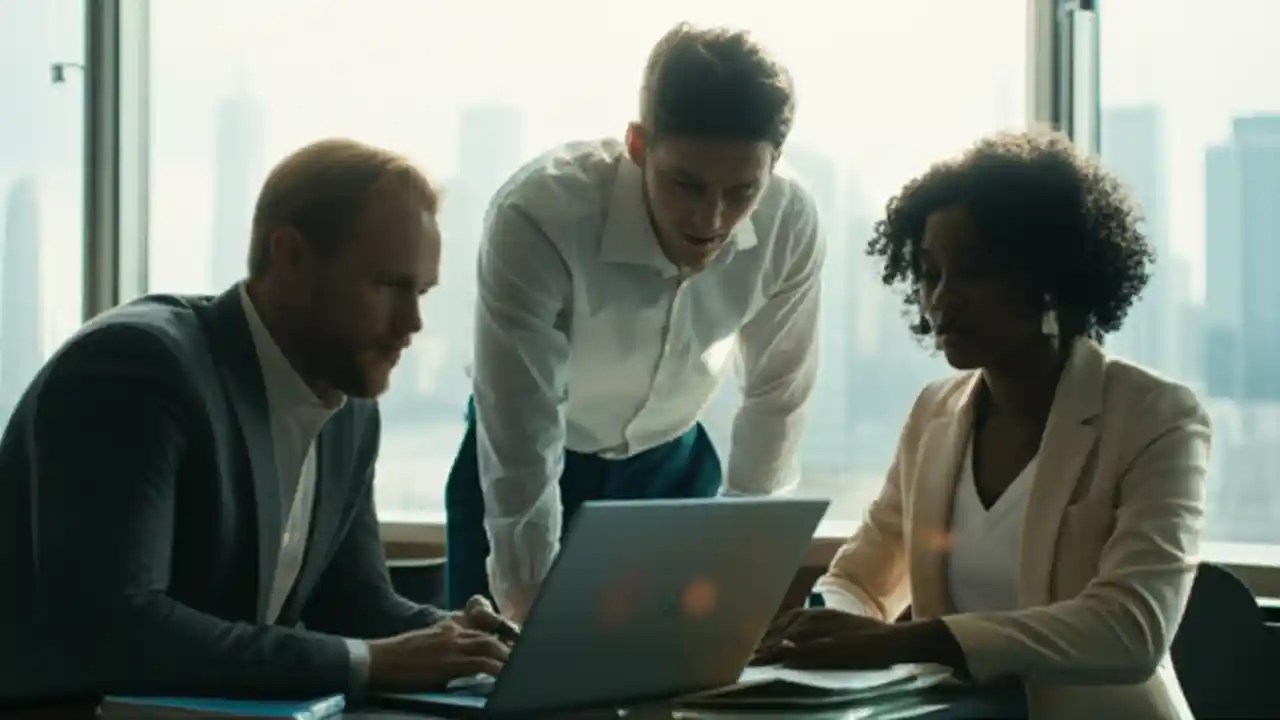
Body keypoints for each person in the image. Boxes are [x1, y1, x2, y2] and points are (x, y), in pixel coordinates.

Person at [0, 138, 514, 702]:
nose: (413, 321)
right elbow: (117, 629)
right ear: (289, 258)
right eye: (388, 285)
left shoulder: (350, 406)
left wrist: (468, 640)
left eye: (421, 291)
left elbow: (354, 602)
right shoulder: (136, 370)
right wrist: (372, 662)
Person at [756, 132, 1211, 720]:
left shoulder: (1157, 416)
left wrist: (910, 640)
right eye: (929, 272)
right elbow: (864, 579)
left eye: (972, 271)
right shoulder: (933, 414)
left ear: (1047, 278)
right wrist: (824, 621)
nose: (942, 298)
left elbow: (1130, 629)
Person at [445, 22, 825, 621]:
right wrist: (526, 610)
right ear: (638, 144)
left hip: (673, 468)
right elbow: (522, 419)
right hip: (526, 463)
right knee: (494, 687)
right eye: (686, 184)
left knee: (674, 688)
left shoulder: (792, 222)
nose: (711, 217)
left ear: (774, 165)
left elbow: (777, 396)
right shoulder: (539, 215)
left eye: (742, 190)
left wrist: (742, 566)